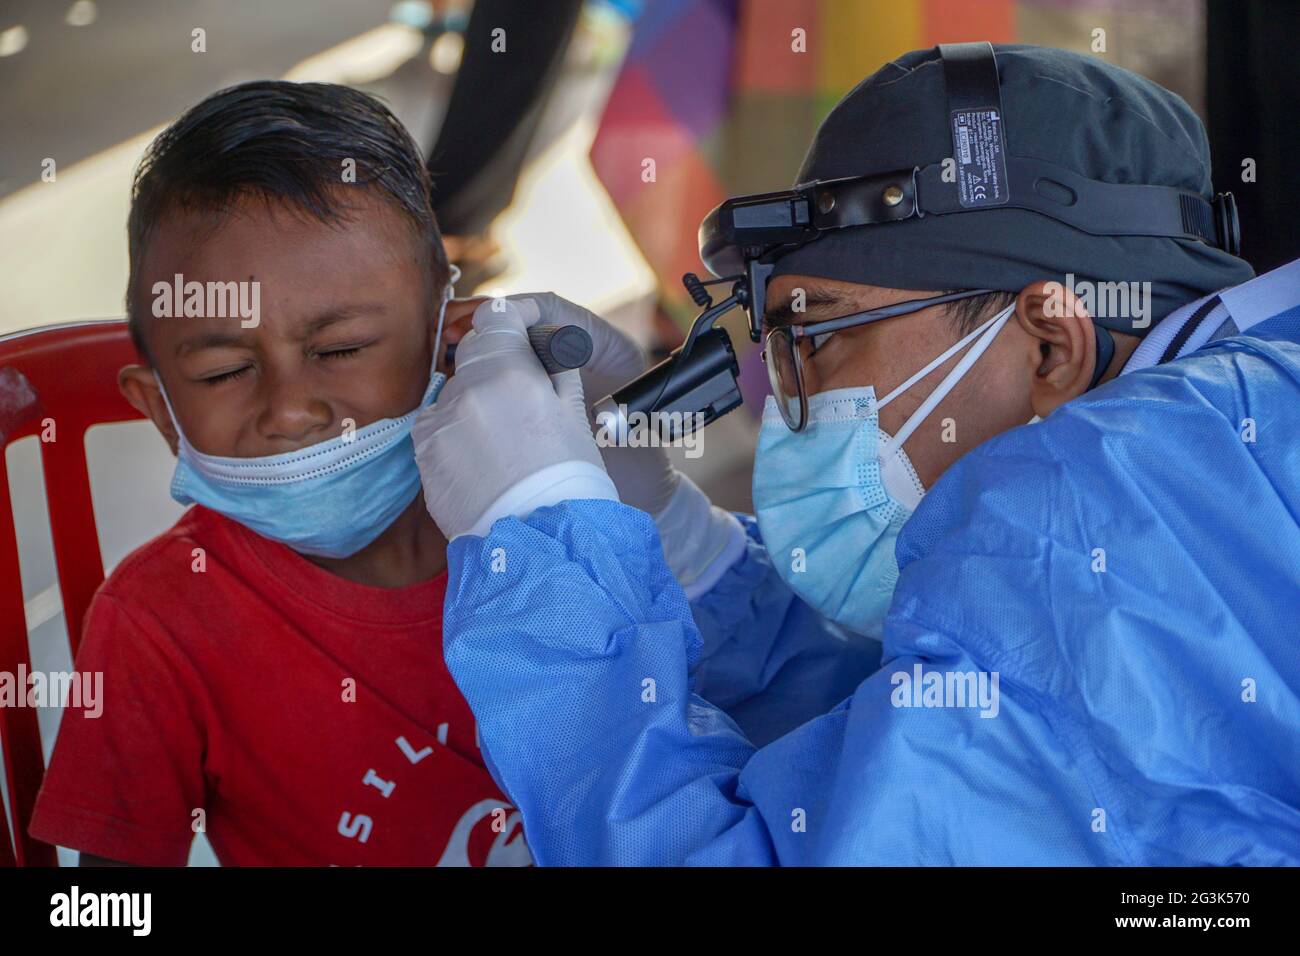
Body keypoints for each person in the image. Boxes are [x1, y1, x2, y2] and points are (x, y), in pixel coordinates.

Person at [411, 45, 1300, 864]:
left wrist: (541, 550)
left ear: (1048, 347)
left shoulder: (1088, 497)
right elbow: (950, 732)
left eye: (816, 338)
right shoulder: (1228, 430)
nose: (785, 402)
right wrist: (687, 547)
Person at [29, 81, 530, 866]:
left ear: (451, 340)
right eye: (227, 370)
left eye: (339, 350)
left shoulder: (544, 520)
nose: (291, 410)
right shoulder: (160, 624)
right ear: (161, 411)